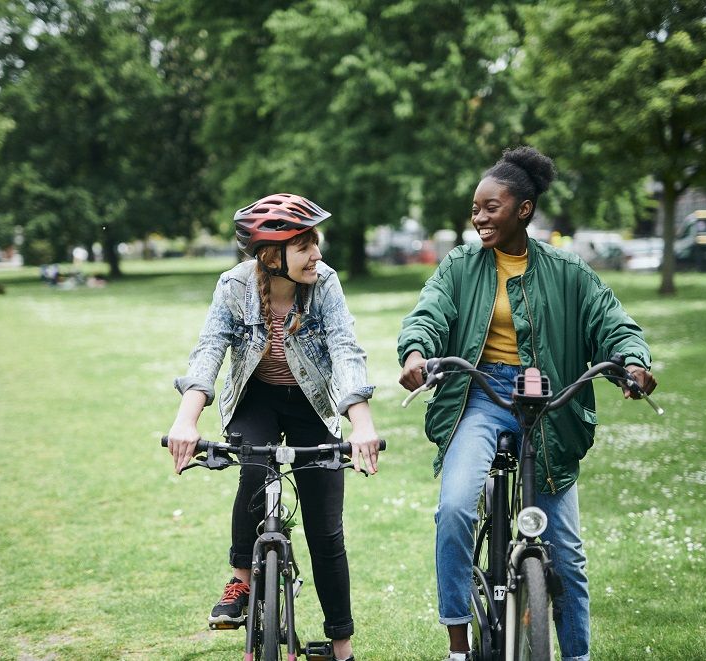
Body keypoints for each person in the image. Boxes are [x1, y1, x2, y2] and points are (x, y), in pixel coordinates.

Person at [397, 147, 657, 661]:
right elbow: (428, 312)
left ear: (524, 209)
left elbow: (613, 322)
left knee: (567, 552)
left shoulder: (568, 270)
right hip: (481, 394)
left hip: (548, 402)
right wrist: (416, 353)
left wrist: (633, 361)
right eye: (475, 208)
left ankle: (576, 656)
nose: (479, 217)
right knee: (454, 509)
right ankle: (458, 646)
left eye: (490, 207)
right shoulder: (461, 265)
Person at [167, 193, 380, 661]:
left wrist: (361, 424)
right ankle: (241, 581)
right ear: (270, 255)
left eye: (315, 243)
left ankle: (341, 647)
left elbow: (345, 349)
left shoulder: (324, 284)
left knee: (326, 531)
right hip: (256, 398)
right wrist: (186, 419)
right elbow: (209, 349)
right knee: (253, 469)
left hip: (312, 403)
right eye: (305, 247)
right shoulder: (233, 286)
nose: (317, 254)